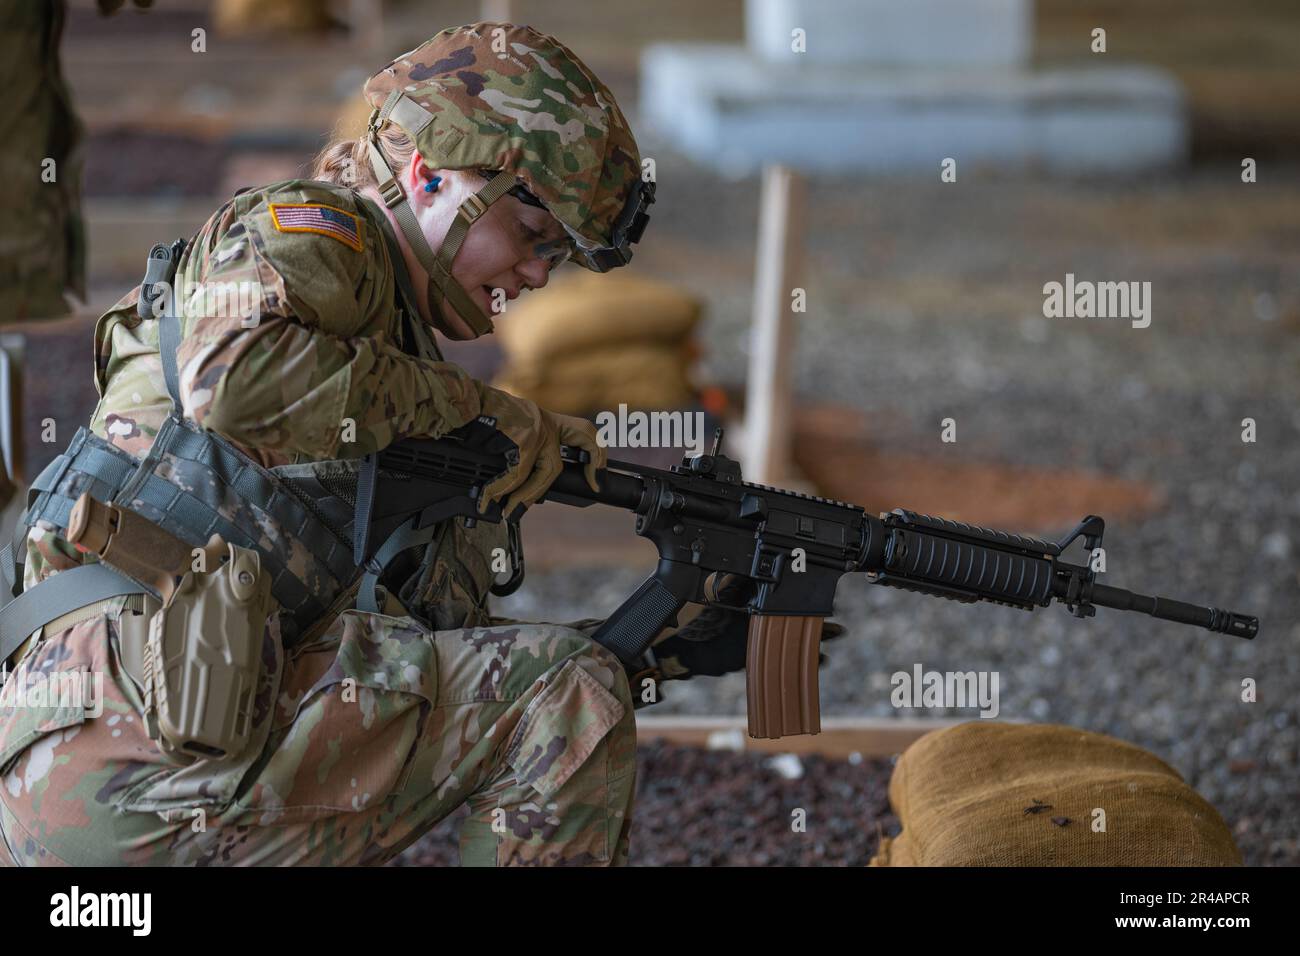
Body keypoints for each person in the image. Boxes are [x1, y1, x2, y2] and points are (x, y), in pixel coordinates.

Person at [0, 22, 667, 867]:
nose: (538, 275)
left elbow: (420, 664)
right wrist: (481, 412)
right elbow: (231, 380)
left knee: (571, 674)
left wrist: (639, 636)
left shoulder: (373, 336)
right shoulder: (316, 235)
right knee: (572, 699)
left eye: (560, 257)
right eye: (536, 238)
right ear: (432, 174)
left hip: (108, 774)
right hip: (137, 773)